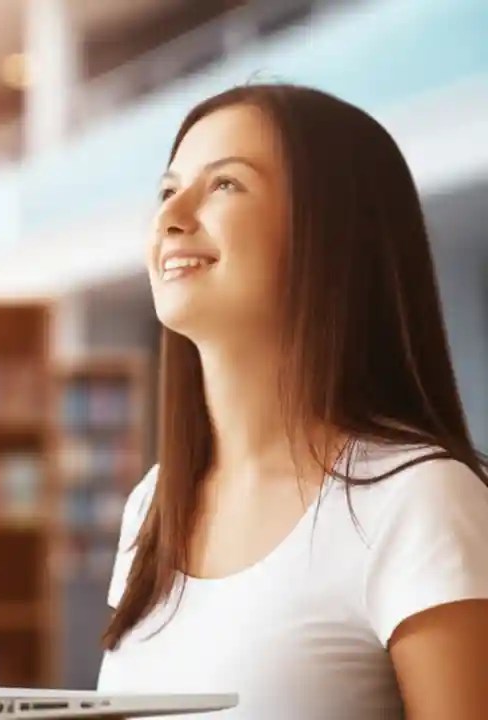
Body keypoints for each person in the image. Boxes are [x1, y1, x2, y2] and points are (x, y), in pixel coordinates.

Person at [95, 83, 488, 719]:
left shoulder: (419, 501)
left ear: (330, 231)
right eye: (168, 190)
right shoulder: (154, 504)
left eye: (224, 185)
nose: (171, 217)